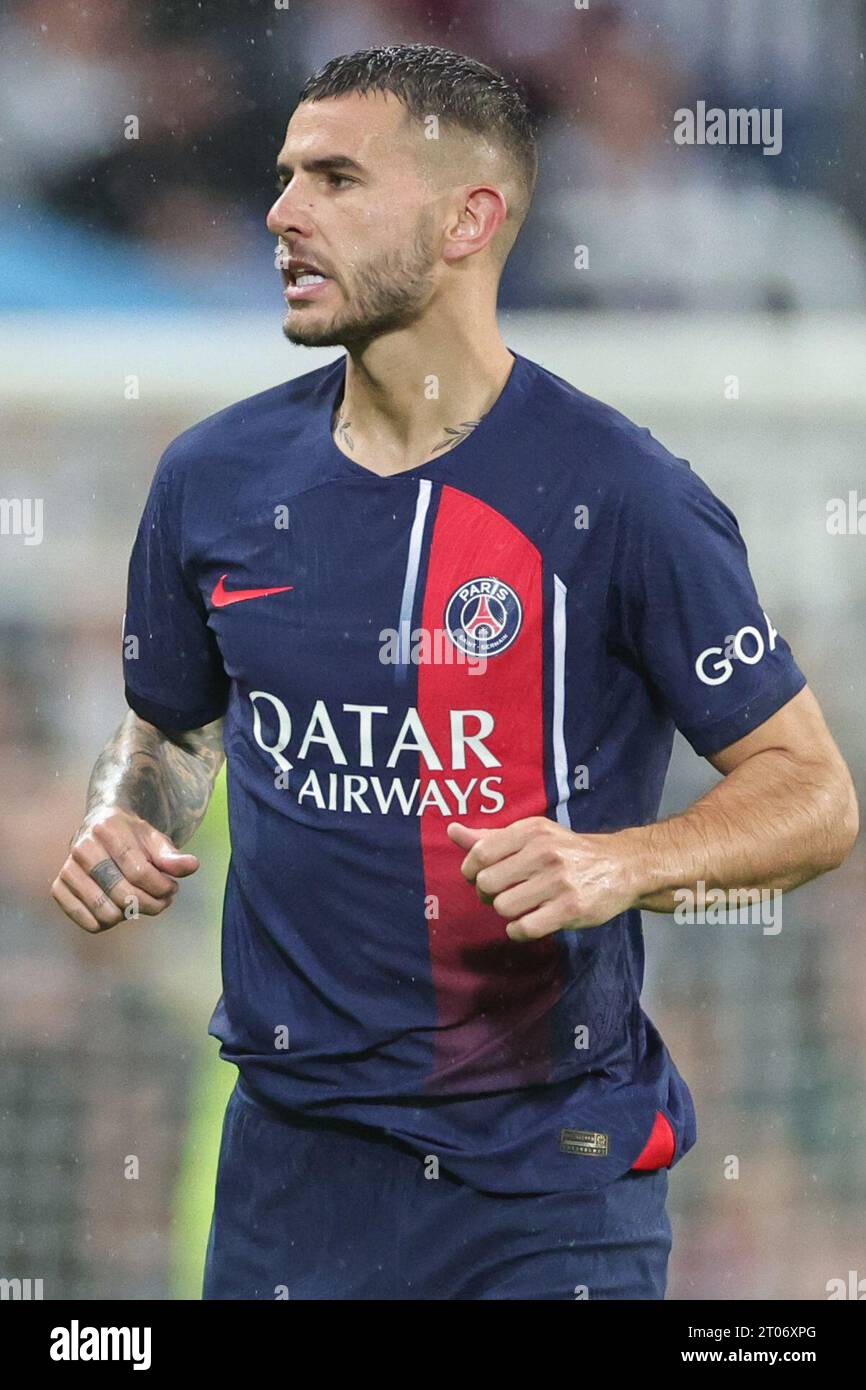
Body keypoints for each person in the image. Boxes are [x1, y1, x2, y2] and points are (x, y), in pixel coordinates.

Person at [51, 43, 858, 1301]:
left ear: (466, 221)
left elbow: (812, 795)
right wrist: (124, 812)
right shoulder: (211, 479)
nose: (280, 211)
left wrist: (618, 861)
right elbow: (169, 735)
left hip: (547, 1179)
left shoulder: (620, 494)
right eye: (281, 177)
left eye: (333, 179)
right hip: (288, 1174)